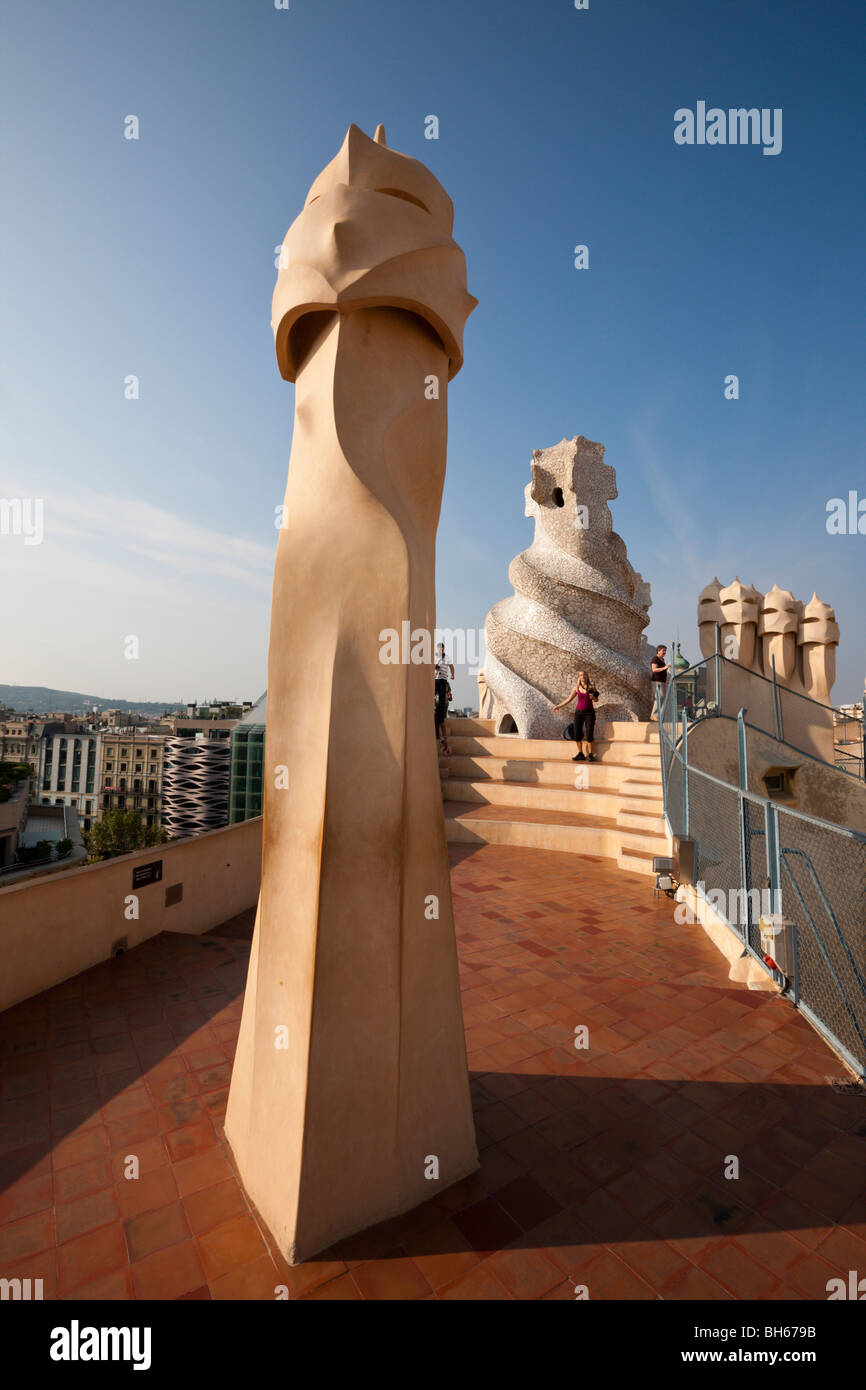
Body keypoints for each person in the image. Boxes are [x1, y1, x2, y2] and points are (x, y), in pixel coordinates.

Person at [551, 670, 599, 762]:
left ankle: (591, 754)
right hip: (578, 713)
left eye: (584, 674)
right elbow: (569, 699)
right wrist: (558, 706)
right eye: (581, 675)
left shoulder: (592, 687)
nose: (583, 676)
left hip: (589, 713)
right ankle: (580, 753)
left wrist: (594, 698)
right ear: (579, 677)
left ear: (587, 676)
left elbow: (596, 699)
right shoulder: (576, 688)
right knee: (577, 734)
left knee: (589, 734)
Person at [434, 643, 454, 752]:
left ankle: (443, 738)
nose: (439, 650)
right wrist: (435, 667)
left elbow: (450, 697)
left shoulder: (447, 685)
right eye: (438, 649)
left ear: (443, 649)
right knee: (437, 717)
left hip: (443, 681)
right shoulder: (435, 657)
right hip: (436, 680)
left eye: (440, 649)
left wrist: (452, 674)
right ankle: (440, 737)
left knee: (440, 717)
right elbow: (431, 666)